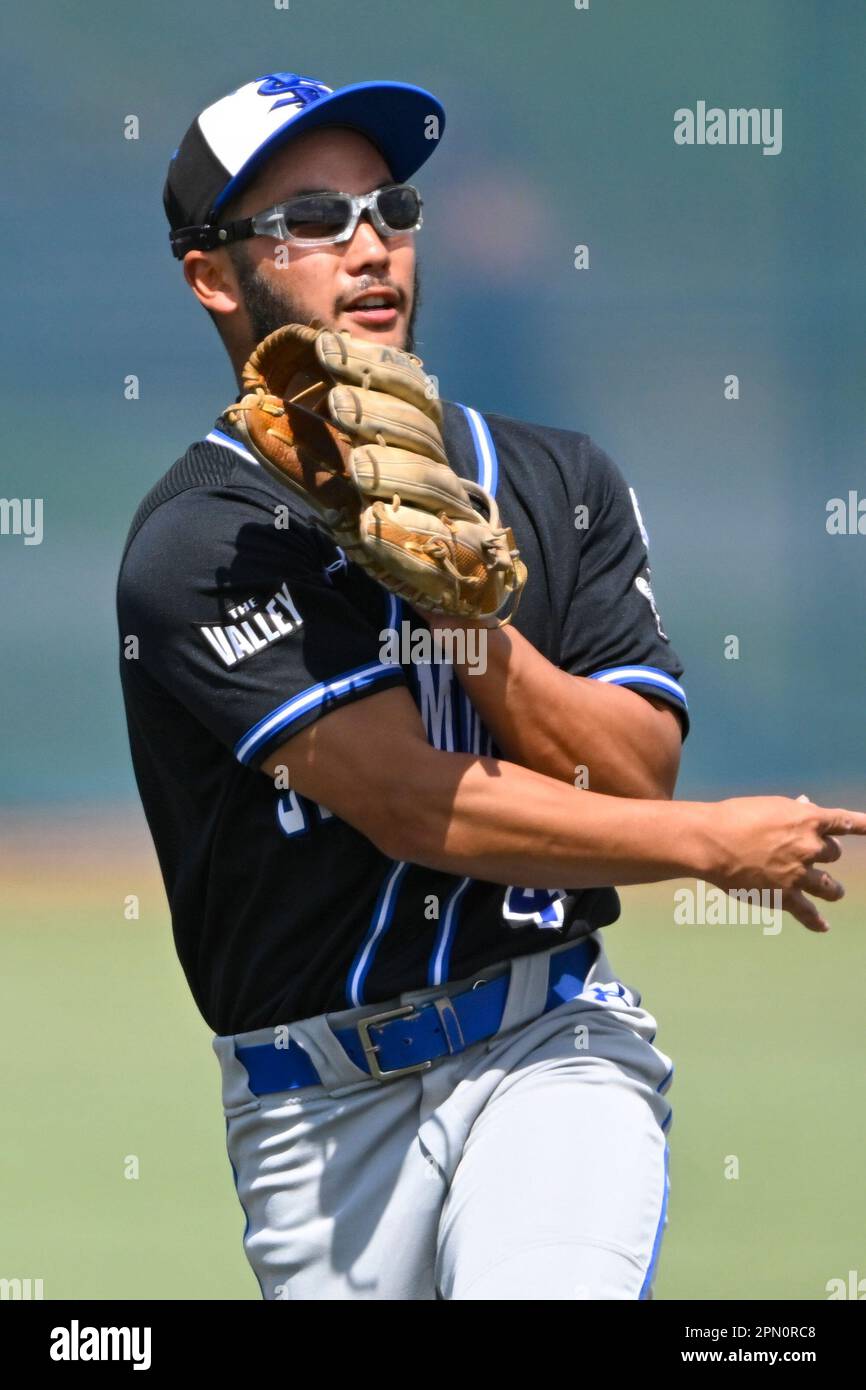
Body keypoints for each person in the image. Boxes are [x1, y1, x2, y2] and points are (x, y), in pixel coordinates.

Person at [116, 70, 864, 1300]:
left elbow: (624, 767)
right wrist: (701, 846)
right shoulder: (200, 543)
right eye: (310, 221)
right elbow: (413, 804)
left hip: (547, 1046)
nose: (368, 247)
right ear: (212, 273)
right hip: (317, 1125)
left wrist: (469, 621)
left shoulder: (550, 480)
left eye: (390, 209)